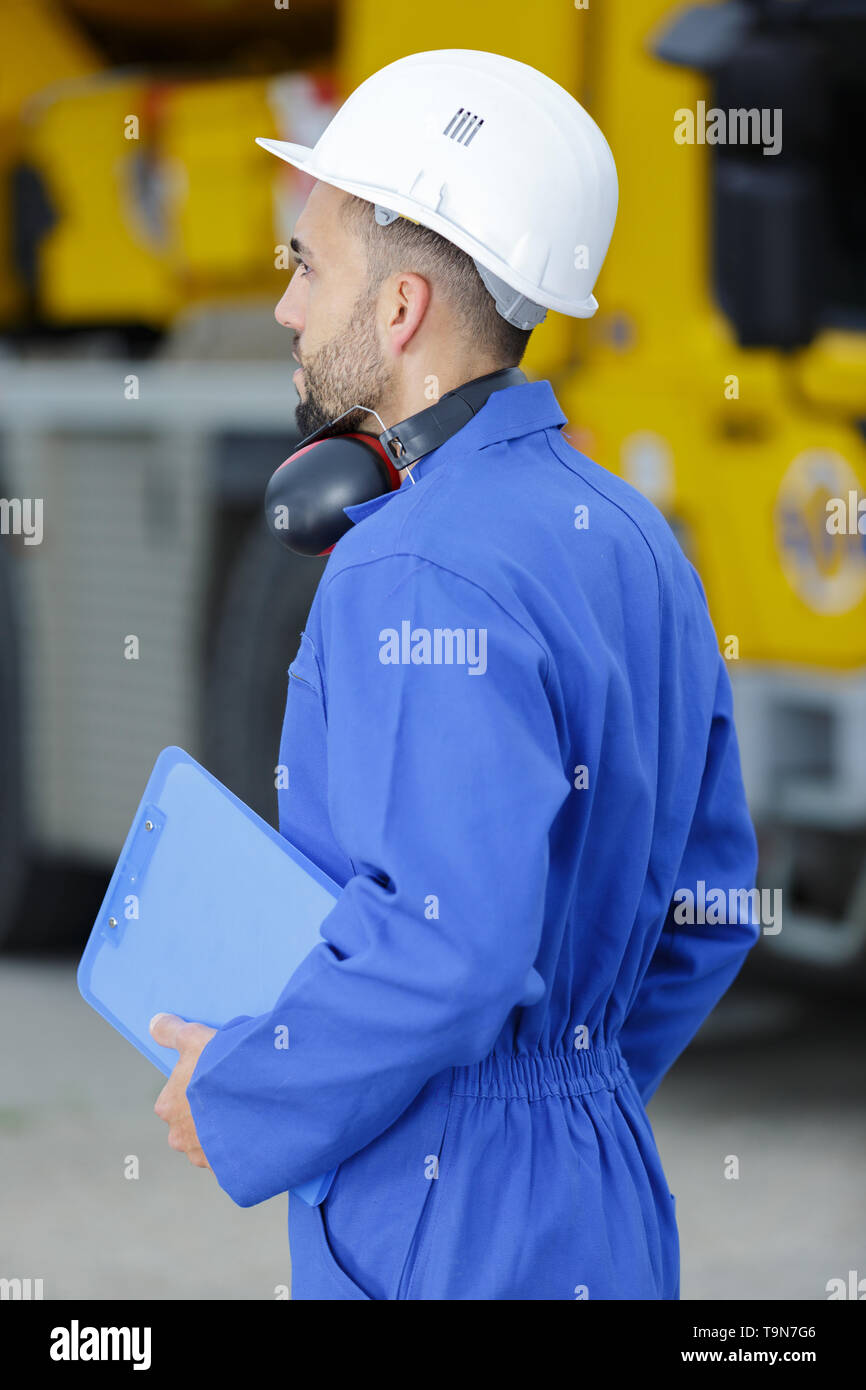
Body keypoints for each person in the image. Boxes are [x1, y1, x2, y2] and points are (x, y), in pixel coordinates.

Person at [150, 49, 759, 1300]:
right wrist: (566, 1096)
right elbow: (711, 900)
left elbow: (448, 947)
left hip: (442, 1218)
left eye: (308, 267)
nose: (284, 309)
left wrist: (243, 1091)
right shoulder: (632, 532)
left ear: (400, 309)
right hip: (601, 1192)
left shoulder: (411, 566)